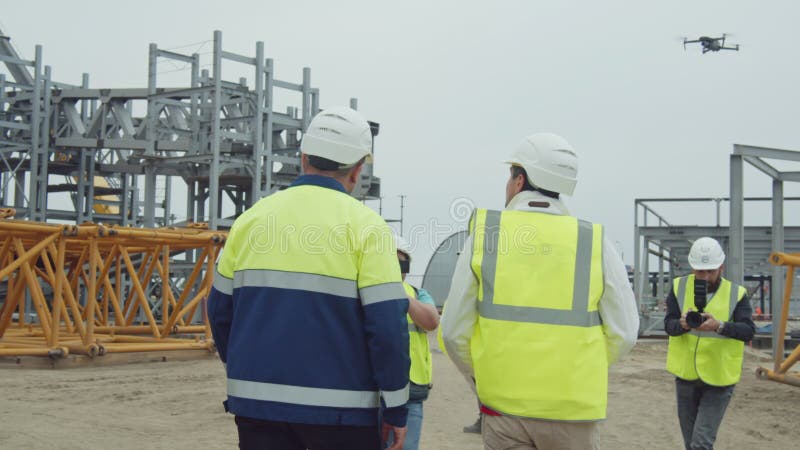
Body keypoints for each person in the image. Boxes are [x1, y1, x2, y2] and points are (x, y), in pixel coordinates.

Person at [207, 106, 410, 450]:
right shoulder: (368, 229)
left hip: (258, 408)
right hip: (342, 415)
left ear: (303, 158)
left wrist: (249, 366)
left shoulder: (250, 221)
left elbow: (219, 312)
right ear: (358, 170)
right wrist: (396, 407)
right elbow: (388, 329)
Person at [440, 132, 639, 450]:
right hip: (574, 412)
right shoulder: (594, 241)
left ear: (519, 181)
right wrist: (577, 371)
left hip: (504, 410)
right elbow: (626, 333)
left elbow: (452, 332)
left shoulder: (487, 234)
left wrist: (484, 379)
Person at [664, 237, 755, 450]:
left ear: (721, 267)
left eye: (710, 271)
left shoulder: (736, 293)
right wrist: (683, 324)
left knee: (701, 443)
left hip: (719, 380)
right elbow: (669, 325)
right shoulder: (679, 287)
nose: (704, 276)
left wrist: (720, 326)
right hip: (686, 377)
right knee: (691, 444)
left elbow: (748, 330)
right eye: (699, 271)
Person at [388, 235, 439, 450]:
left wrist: (399, 293)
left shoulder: (418, 294)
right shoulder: (363, 293)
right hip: (374, 393)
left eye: (401, 262)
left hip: (411, 393)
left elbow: (431, 321)